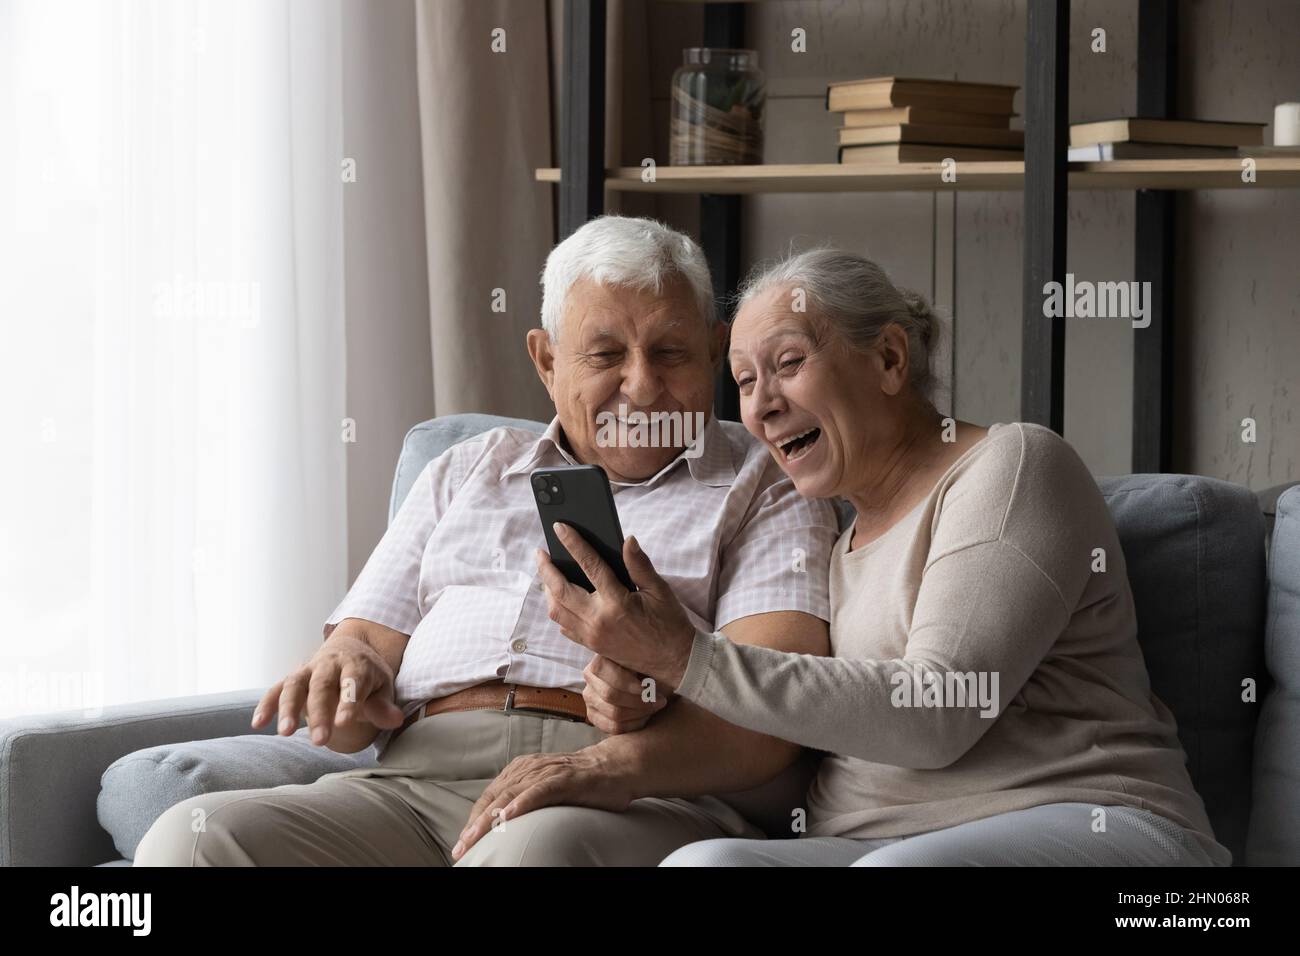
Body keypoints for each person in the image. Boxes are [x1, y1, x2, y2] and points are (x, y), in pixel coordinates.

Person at [455, 247, 1232, 867]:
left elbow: (937, 714)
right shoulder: (829, 535)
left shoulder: (1012, 469)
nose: (759, 407)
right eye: (746, 382)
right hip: (868, 843)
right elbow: (801, 759)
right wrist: (651, 710)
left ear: (890, 359)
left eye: (788, 365)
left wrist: (685, 656)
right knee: (705, 864)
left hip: (1098, 828)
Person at [131, 217, 841, 867]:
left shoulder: (766, 482)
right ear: (546, 361)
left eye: (671, 352)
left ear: (715, 351)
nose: (642, 384)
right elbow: (360, 668)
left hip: (632, 789)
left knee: (531, 850)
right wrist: (342, 675)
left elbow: (773, 715)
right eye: (604, 355)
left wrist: (612, 750)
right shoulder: (468, 468)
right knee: (194, 840)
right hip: (414, 782)